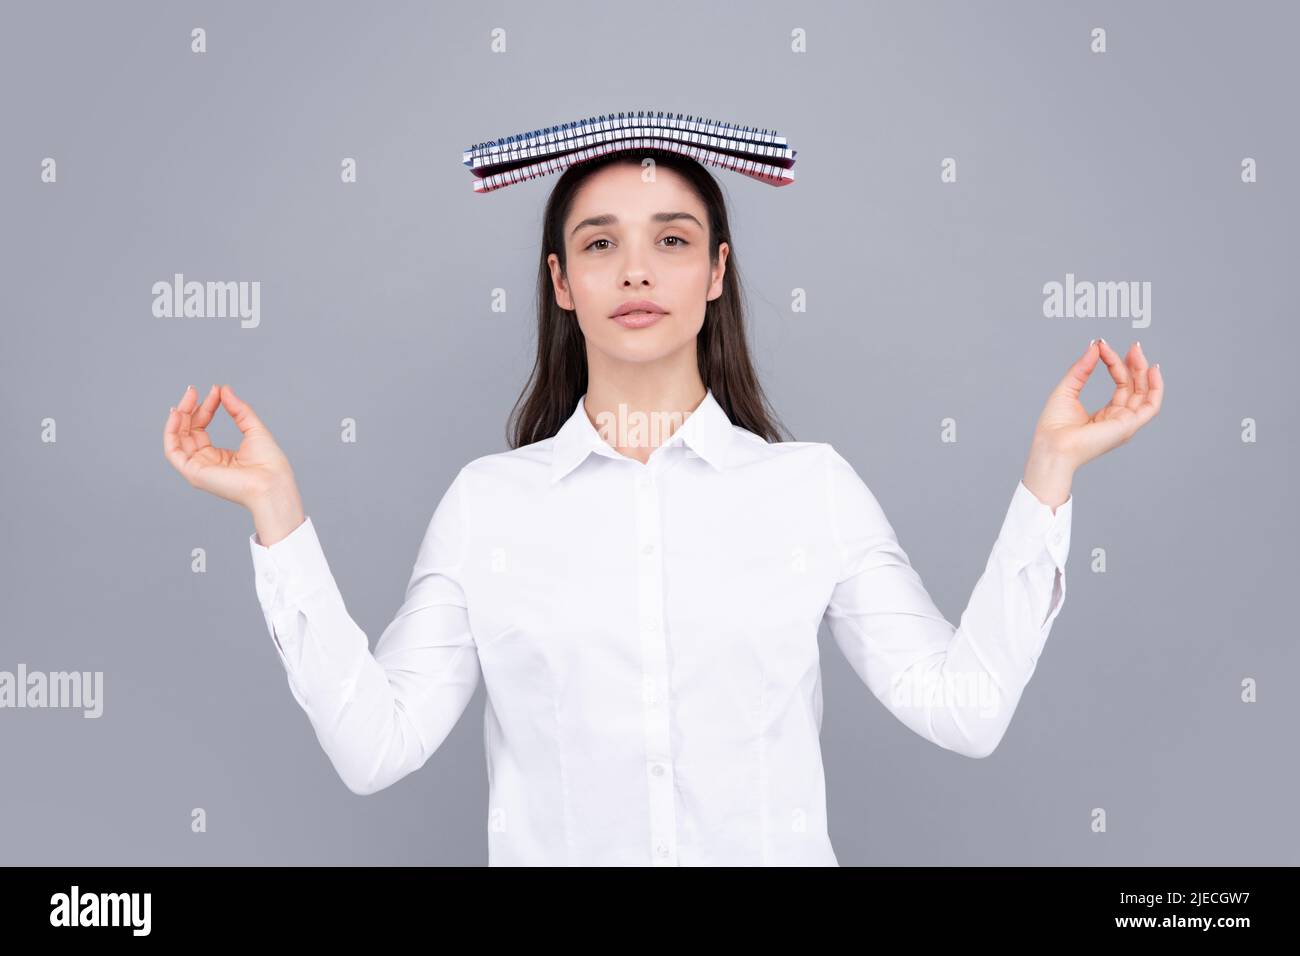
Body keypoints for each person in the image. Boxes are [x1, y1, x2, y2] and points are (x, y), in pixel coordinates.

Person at [161, 149, 1164, 866]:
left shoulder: (807, 490)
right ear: (560, 281)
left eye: (671, 239)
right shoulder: (488, 507)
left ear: (716, 271)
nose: (636, 269)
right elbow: (375, 746)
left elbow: (965, 709)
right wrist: (273, 507)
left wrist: (1050, 471)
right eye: (600, 243)